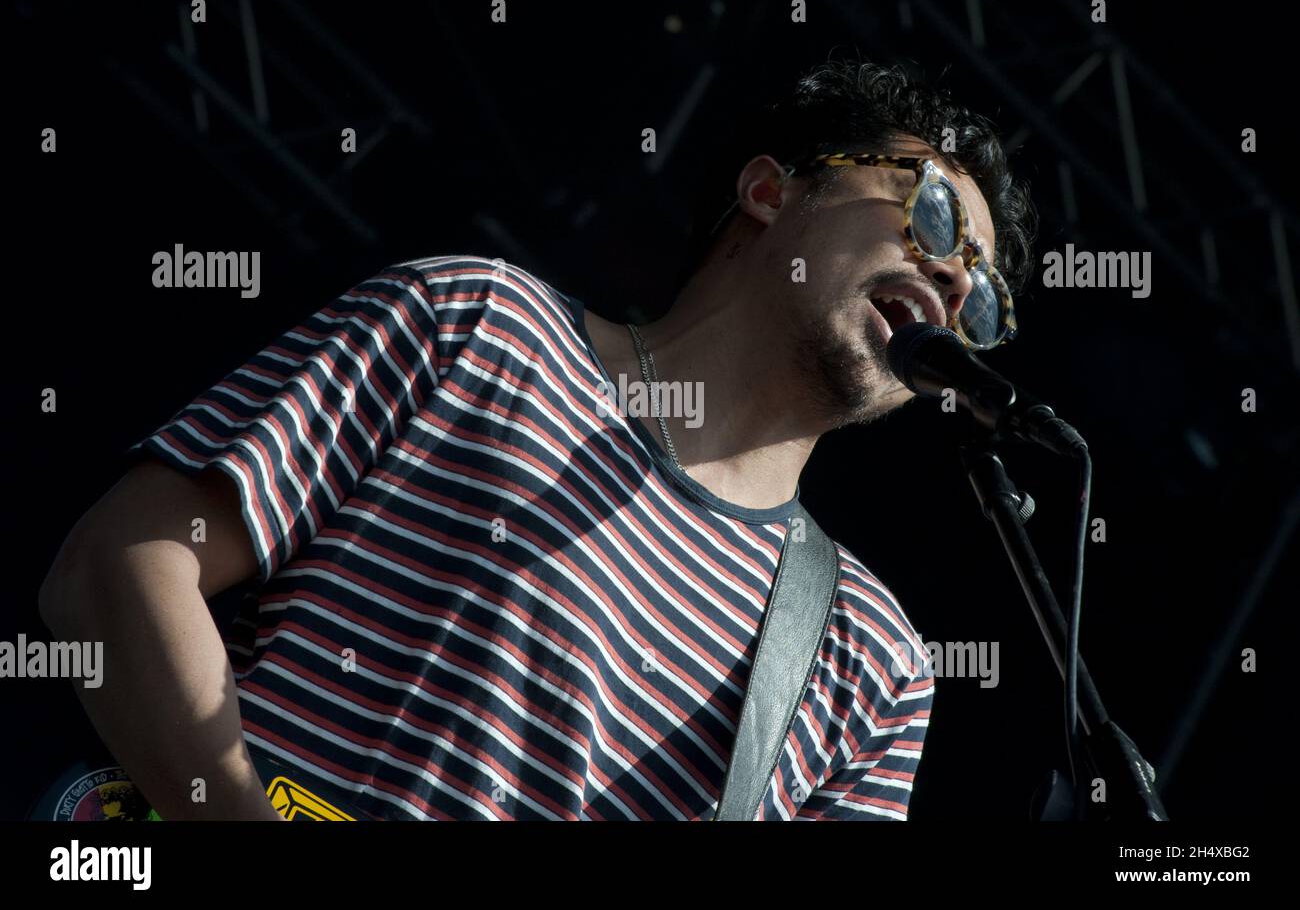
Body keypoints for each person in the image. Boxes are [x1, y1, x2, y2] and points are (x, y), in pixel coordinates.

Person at [38, 59, 1035, 820]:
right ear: (770, 192)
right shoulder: (478, 323)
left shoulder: (872, 659)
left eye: (981, 296)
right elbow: (117, 570)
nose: (953, 282)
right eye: (933, 214)